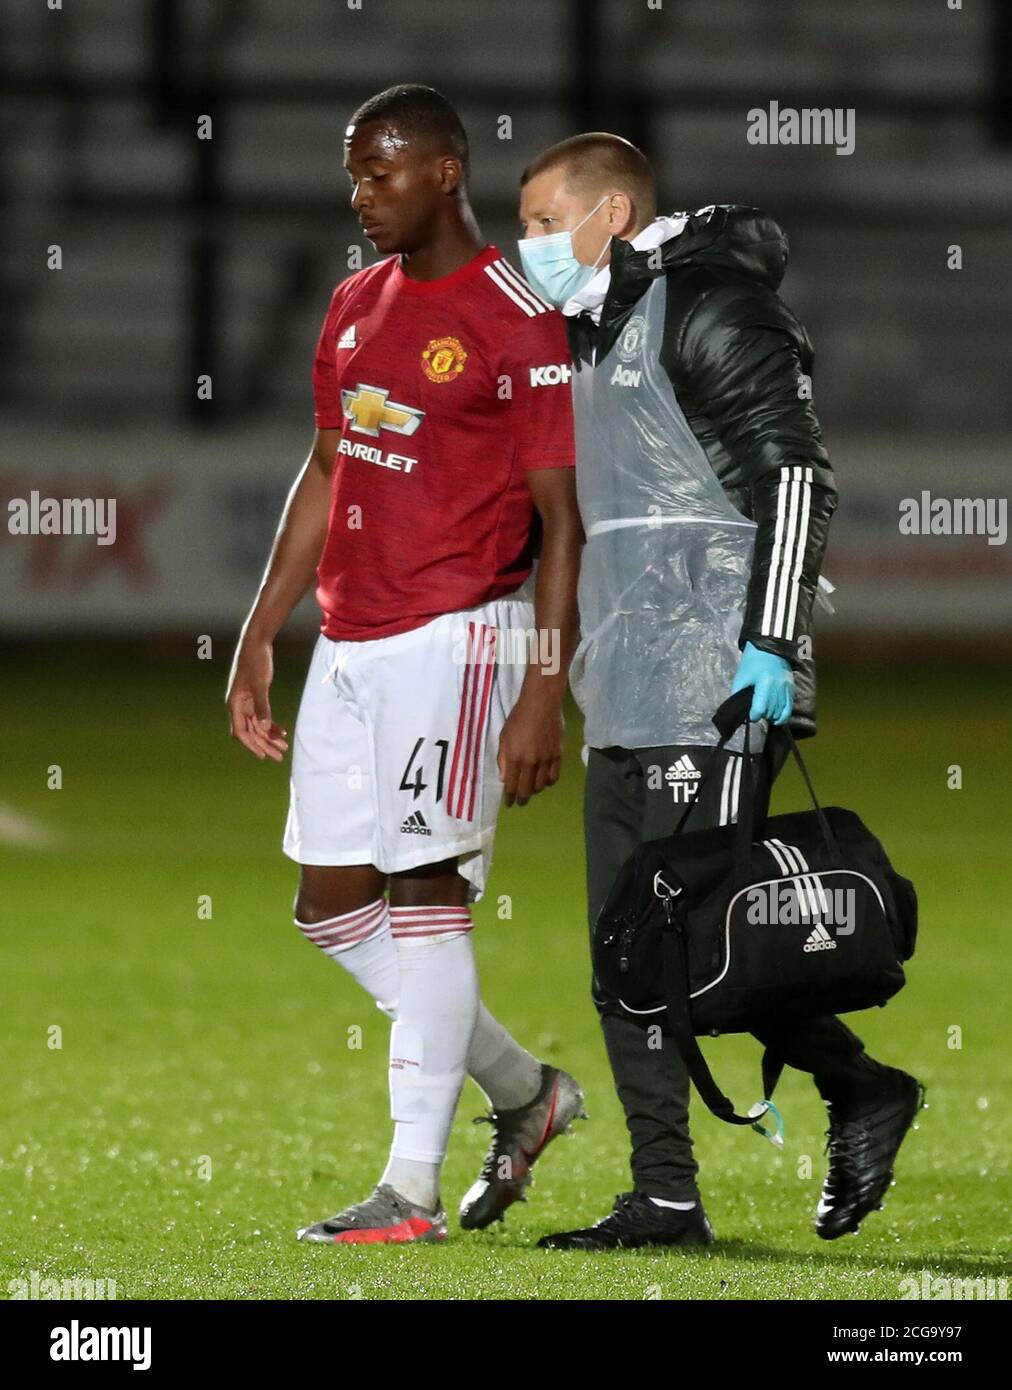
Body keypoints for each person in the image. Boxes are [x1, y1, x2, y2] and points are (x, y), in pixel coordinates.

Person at [516, 133, 924, 1251]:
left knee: (668, 943)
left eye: (544, 222)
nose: (529, 245)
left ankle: (754, 1145)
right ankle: (718, 1167)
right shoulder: (585, 330)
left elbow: (796, 476)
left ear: (609, 213)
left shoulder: (711, 307)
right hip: (626, 676)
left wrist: (769, 643)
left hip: (714, 675)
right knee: (642, 944)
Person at [226, 86, 585, 1245]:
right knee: (330, 907)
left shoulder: (514, 316)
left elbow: (562, 523)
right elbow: (329, 471)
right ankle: (527, 1091)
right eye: (352, 178)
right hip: (349, 635)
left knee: (427, 897)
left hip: (458, 636)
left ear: (442, 173)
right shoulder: (353, 302)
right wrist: (258, 631)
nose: (361, 197)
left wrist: (542, 687)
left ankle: (409, 1191)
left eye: (379, 175)